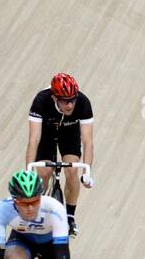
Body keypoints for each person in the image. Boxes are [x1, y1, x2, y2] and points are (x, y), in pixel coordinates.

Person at [25, 72, 95, 236]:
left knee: (71, 170)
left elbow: (88, 141)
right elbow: (34, 139)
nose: (70, 105)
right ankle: (37, 211)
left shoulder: (83, 103)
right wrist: (28, 170)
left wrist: (87, 172)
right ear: (55, 98)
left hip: (69, 131)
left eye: (72, 100)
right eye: (65, 101)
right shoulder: (41, 101)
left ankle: (70, 216)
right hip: (47, 132)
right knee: (44, 172)